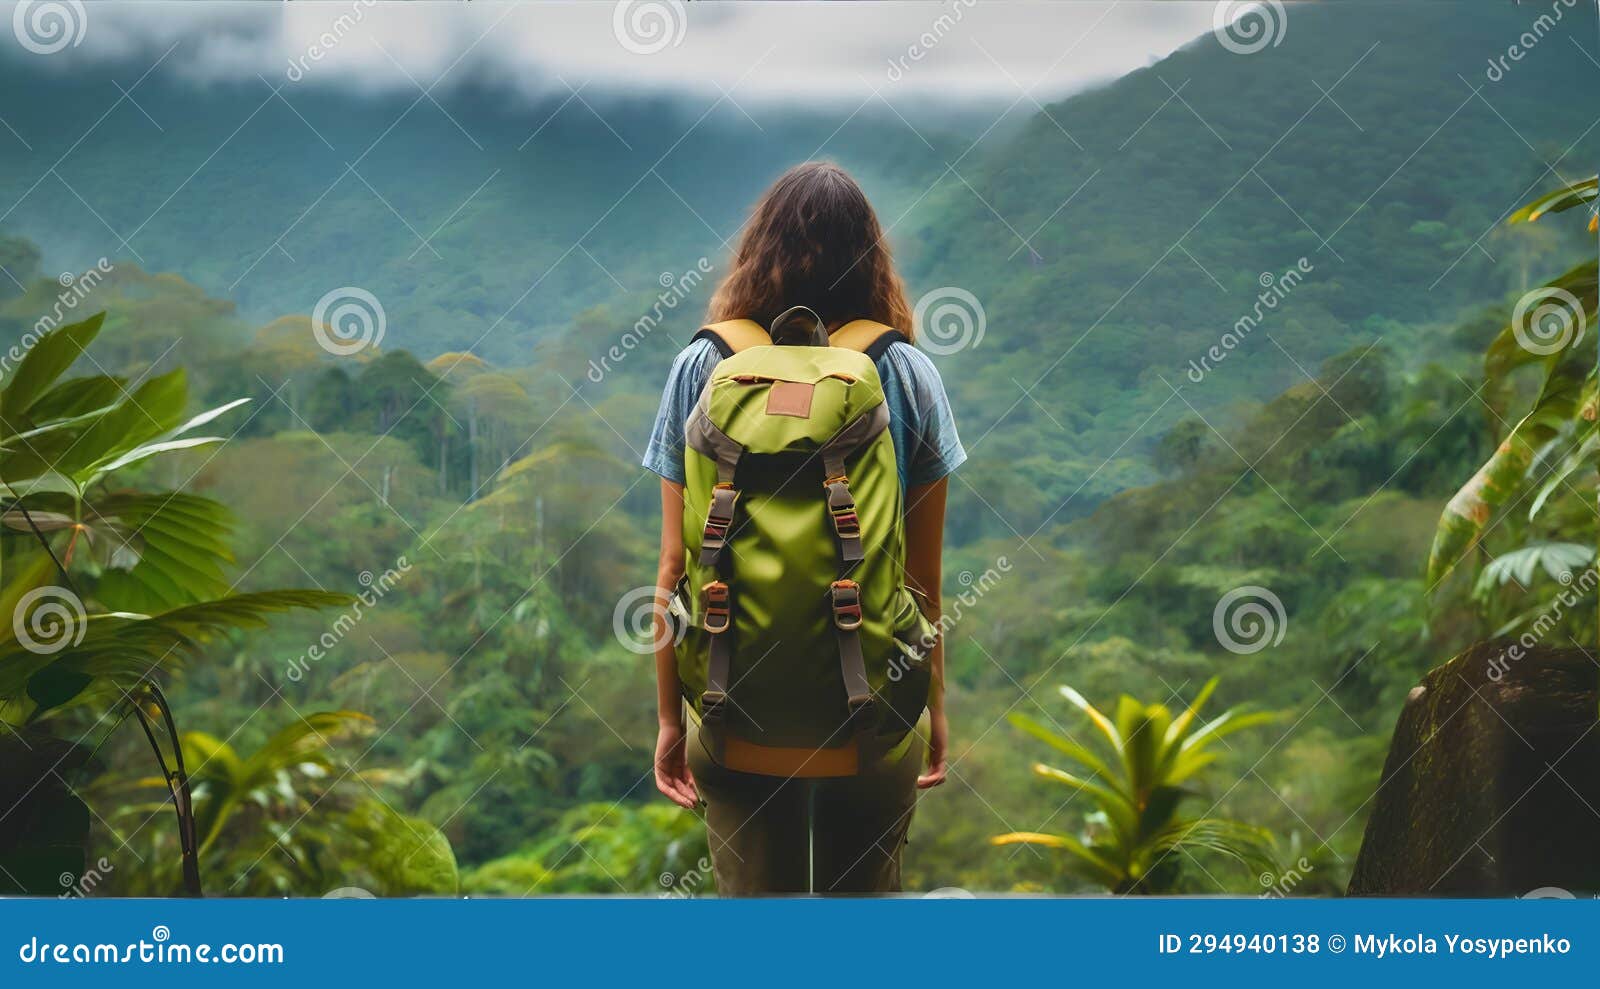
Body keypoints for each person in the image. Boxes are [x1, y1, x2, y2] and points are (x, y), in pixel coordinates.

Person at [641, 161, 966, 894]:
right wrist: (934, 705)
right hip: (875, 711)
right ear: (872, 258)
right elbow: (922, 580)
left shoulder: (701, 365)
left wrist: (669, 720)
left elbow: (671, 568)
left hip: (731, 703)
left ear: (756, 252)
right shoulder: (906, 371)